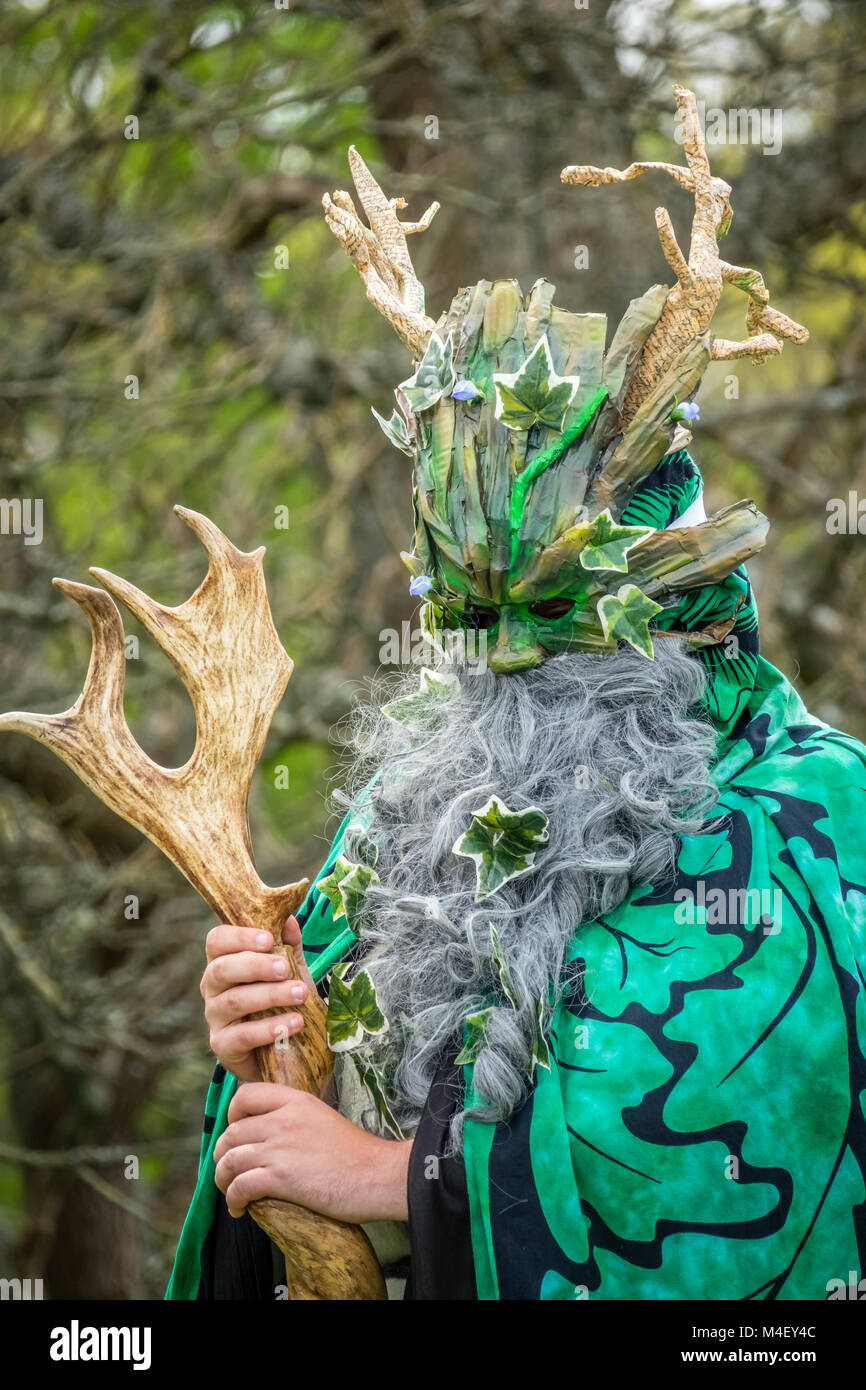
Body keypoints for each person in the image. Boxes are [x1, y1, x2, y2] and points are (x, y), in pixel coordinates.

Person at [166, 92, 866, 1302]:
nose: (515, 705)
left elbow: (752, 1162)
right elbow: (291, 1139)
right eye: (484, 652)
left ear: (677, 625)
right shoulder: (413, 802)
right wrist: (268, 1043)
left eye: (558, 658)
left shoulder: (812, 818)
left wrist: (400, 1182)